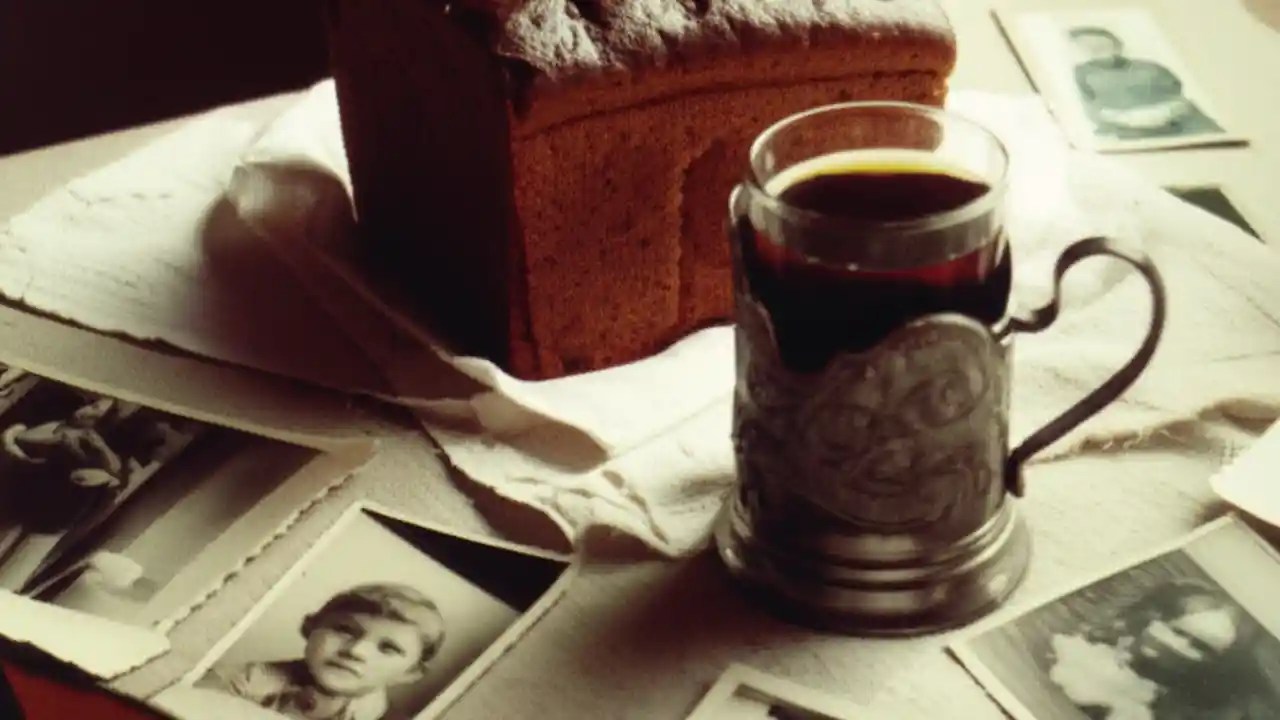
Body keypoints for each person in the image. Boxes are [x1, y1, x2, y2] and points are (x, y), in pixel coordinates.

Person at [203, 583, 446, 720]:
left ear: (410, 673)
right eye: (344, 630)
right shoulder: (245, 679)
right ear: (310, 628)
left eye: (388, 648)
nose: (356, 651)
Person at [1046, 579, 1279, 720]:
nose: (1178, 647)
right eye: (1178, 632)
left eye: (1200, 647)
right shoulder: (1070, 649)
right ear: (1153, 621)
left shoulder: (1170, 709)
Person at [1068, 26, 1223, 140]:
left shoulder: (1150, 68)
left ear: (1117, 46)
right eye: (1090, 47)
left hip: (1179, 126)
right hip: (1122, 135)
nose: (1098, 51)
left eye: (1103, 46)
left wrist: (1165, 112)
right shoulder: (1078, 74)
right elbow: (1088, 110)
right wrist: (1127, 119)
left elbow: (1179, 96)